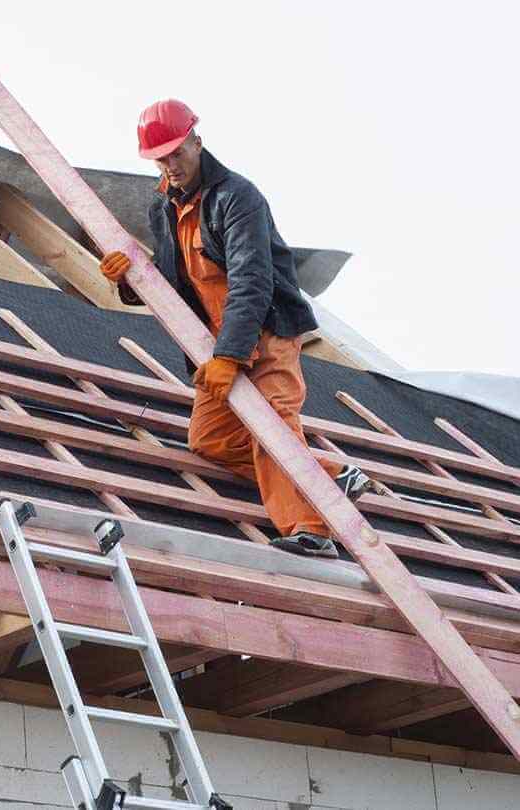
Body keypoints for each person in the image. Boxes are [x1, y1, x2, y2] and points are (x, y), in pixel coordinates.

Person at [100, 99, 371, 558]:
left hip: (264, 333)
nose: (171, 165)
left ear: (197, 142)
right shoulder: (162, 207)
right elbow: (173, 281)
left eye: (177, 153)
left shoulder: (237, 197)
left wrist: (231, 356)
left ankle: (314, 530)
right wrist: (129, 280)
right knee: (210, 439)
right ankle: (327, 477)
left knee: (272, 426)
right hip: (213, 343)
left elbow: (252, 279)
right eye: (160, 158)